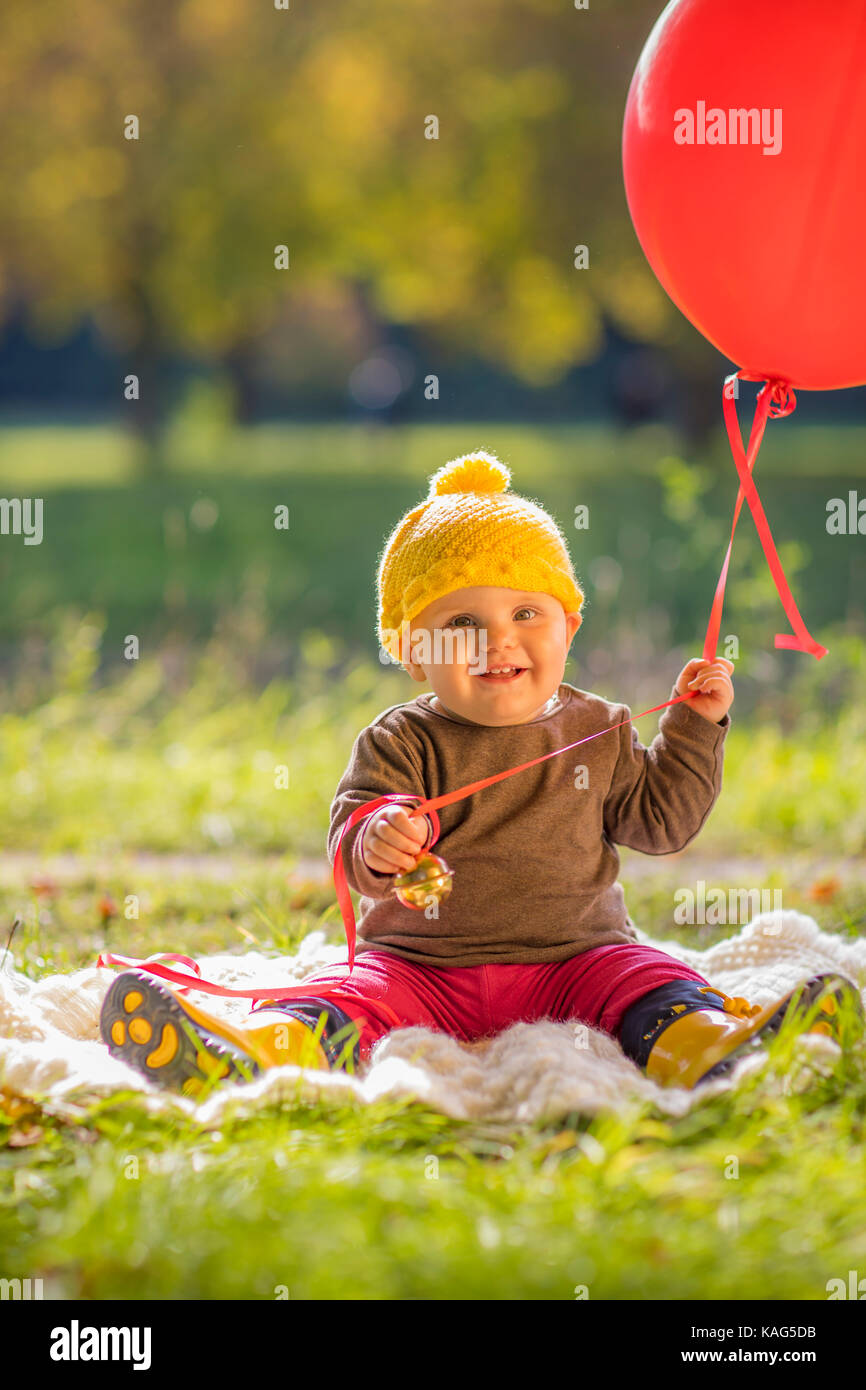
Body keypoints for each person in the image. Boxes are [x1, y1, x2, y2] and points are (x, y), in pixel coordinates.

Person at [100, 451, 857, 1097]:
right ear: (411, 650)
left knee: (648, 980)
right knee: (343, 998)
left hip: (576, 959)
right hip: (422, 966)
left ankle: (719, 1049)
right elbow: (353, 834)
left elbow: (661, 824)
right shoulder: (403, 737)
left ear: (570, 626)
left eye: (528, 613)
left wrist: (695, 727)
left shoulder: (600, 728)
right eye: (462, 623)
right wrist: (377, 842)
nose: (499, 641)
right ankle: (256, 1055)